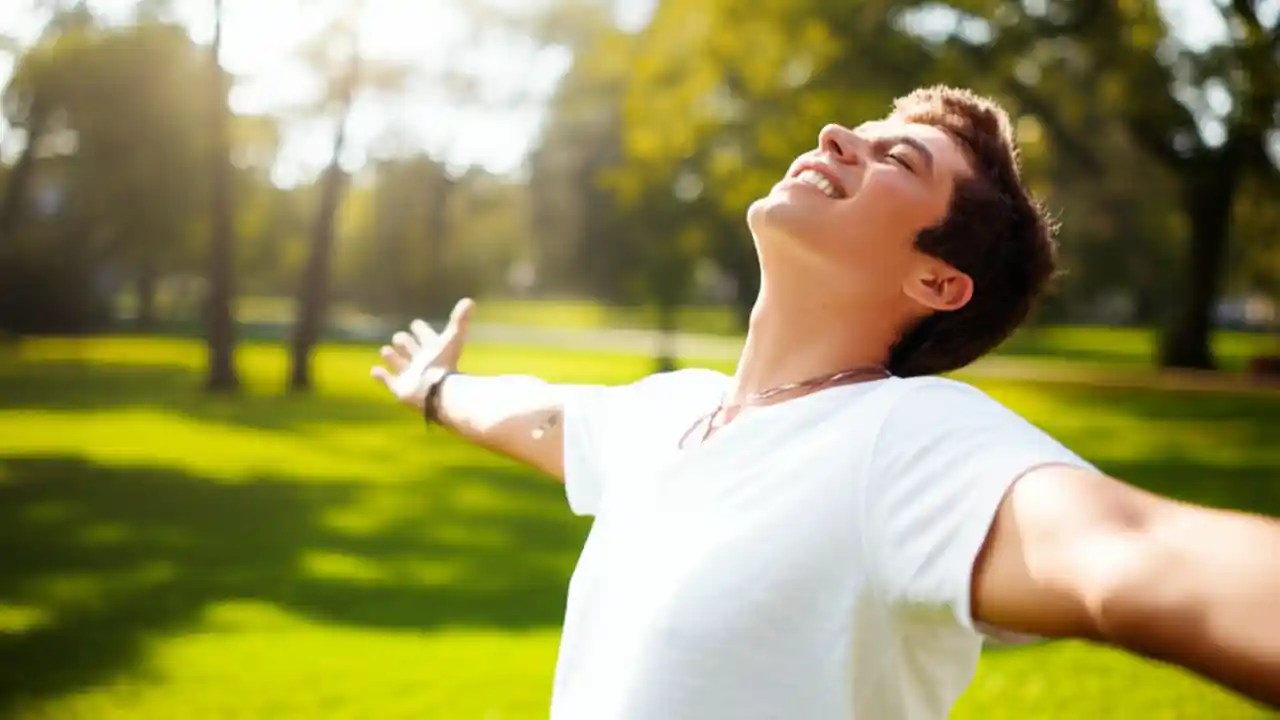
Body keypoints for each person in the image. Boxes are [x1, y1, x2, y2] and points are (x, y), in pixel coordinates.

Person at [369, 85, 1279, 718]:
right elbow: (538, 416)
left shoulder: (908, 439)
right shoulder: (672, 415)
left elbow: (1137, 556)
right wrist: (437, 389)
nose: (838, 135)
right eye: (861, 132)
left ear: (937, 280)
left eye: (897, 159)